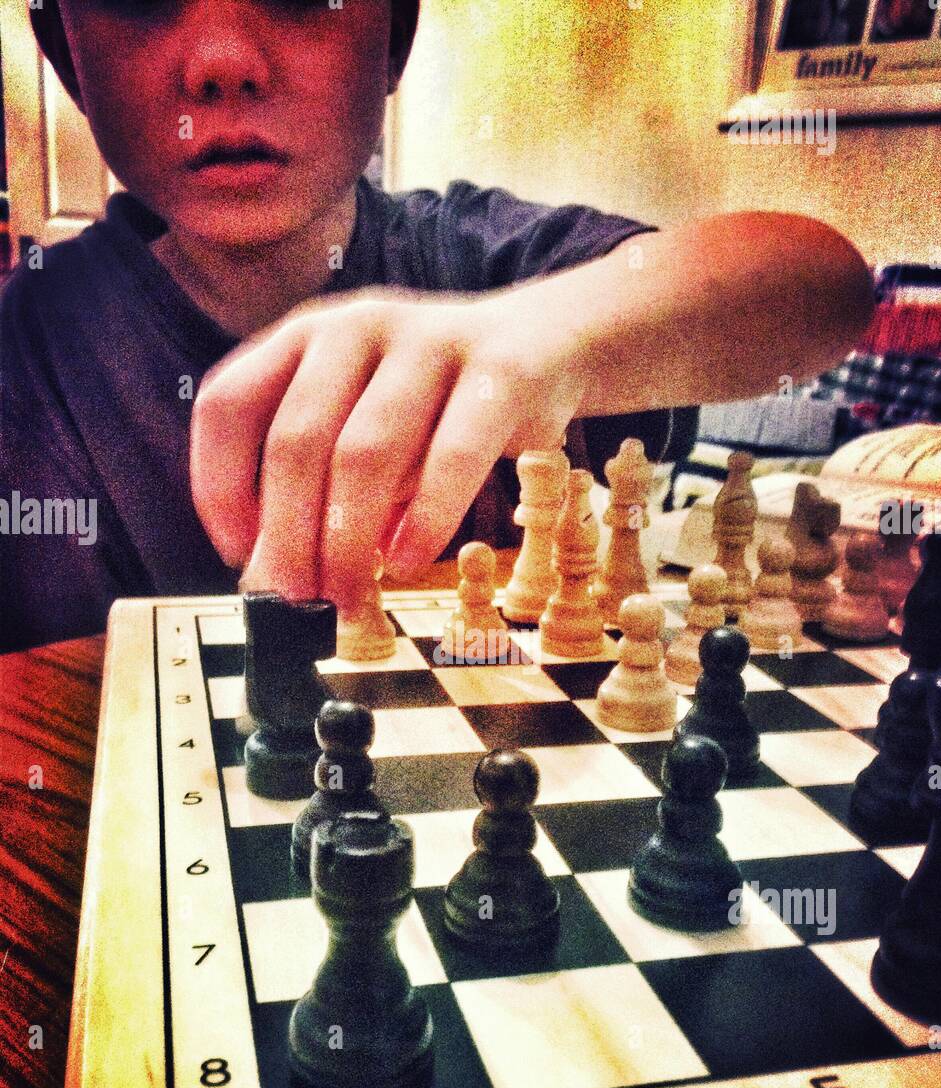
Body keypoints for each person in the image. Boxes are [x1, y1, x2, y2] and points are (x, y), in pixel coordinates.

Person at [0, 0, 874, 654]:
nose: (223, 63)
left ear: (395, 37)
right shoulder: (27, 347)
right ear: (66, 59)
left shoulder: (480, 258)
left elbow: (822, 284)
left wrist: (545, 335)